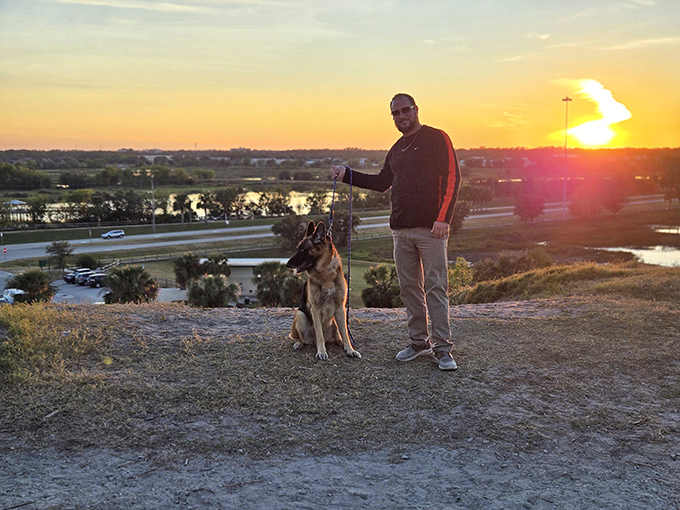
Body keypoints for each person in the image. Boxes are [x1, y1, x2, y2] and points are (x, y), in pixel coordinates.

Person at [330, 93, 461, 371]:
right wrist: (347, 174)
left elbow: (453, 178)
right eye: (395, 114)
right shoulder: (397, 149)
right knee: (409, 289)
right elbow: (381, 183)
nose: (401, 117)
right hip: (401, 231)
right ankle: (418, 342)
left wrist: (444, 219)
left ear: (415, 110)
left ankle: (442, 349)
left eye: (405, 111)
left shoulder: (437, 138)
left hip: (432, 230)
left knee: (436, 288)